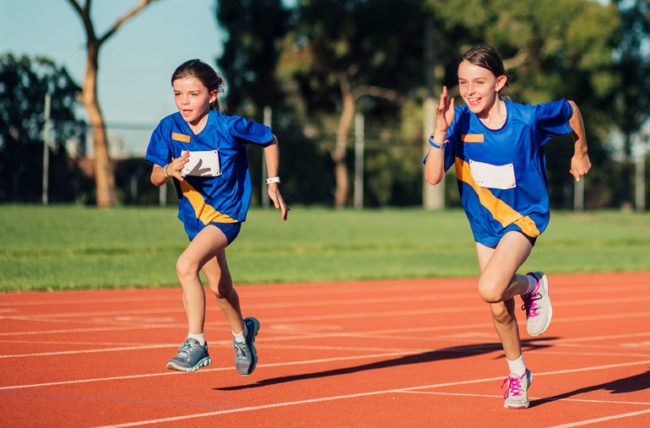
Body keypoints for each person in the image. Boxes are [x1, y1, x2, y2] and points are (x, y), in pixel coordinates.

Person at [424, 44, 591, 409]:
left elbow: (571, 109)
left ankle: (532, 283)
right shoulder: (459, 125)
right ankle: (518, 374)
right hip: (483, 225)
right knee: (498, 306)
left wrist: (580, 152)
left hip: (524, 217)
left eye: (479, 82)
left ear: (499, 82)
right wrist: (440, 130)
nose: (470, 91)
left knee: (490, 287)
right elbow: (433, 176)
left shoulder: (527, 119)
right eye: (463, 82)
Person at [146, 59, 289, 376]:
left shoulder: (228, 127)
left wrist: (272, 183)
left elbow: (269, 139)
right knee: (221, 289)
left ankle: (195, 343)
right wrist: (168, 169)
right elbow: (155, 176)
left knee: (185, 265)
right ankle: (243, 336)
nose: (184, 101)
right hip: (194, 220)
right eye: (178, 94)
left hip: (226, 217)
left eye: (193, 94)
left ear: (211, 95)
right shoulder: (168, 128)